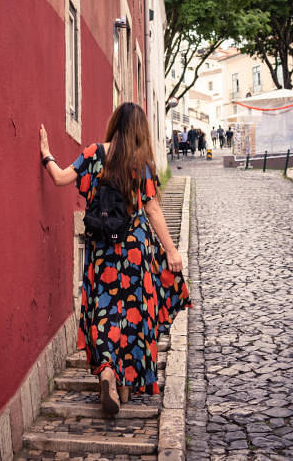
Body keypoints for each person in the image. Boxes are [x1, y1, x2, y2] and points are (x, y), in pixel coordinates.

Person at [40, 103, 193, 415]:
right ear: (139, 130)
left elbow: (59, 178)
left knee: (105, 311)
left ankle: (109, 371)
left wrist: (46, 153)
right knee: (133, 315)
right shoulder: (141, 162)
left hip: (101, 251)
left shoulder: (93, 152)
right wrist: (172, 251)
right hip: (135, 252)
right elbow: (151, 209)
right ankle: (125, 382)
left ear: (114, 125)